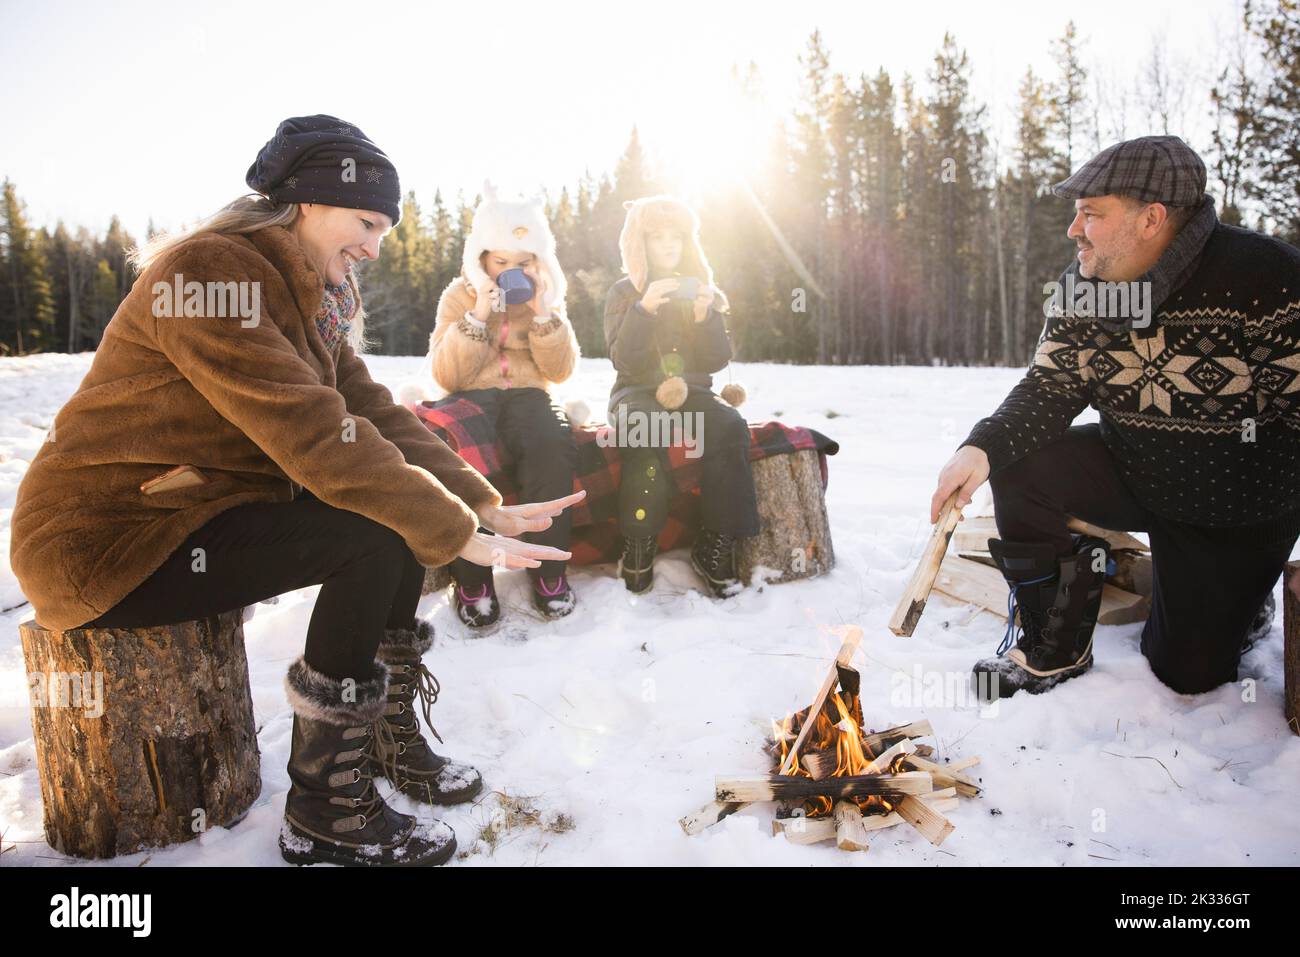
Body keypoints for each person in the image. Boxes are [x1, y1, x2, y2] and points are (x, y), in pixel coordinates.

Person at [8, 115, 583, 867]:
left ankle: (376, 742)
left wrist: (478, 500)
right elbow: (312, 430)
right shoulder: (209, 276)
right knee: (375, 533)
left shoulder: (307, 300)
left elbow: (369, 411)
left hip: (191, 511)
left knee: (391, 516)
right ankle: (323, 810)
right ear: (309, 201)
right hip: (106, 538)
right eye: (367, 222)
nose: (376, 246)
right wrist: (447, 526)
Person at [929, 135, 1300, 700]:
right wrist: (979, 448)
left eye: (1090, 214)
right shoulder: (1085, 284)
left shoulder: (1264, 277)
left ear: (1151, 218)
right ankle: (1055, 645)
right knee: (1019, 463)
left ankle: (1245, 603)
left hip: (1234, 503)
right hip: (1136, 464)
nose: (1074, 231)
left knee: (1187, 675)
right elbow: (1051, 385)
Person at [425, 185, 582, 628]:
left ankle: (549, 573)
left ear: (539, 261)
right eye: (501, 261)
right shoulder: (459, 295)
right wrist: (477, 315)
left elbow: (562, 369)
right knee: (460, 450)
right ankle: (472, 578)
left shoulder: (545, 295)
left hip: (530, 393)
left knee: (551, 443)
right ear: (481, 258)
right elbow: (445, 376)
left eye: (523, 262)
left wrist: (544, 316)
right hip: (470, 395)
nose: (511, 270)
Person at [603, 195, 759, 597]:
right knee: (645, 429)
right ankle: (639, 544)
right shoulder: (624, 293)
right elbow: (623, 360)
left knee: (729, 425)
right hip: (636, 389)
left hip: (694, 389)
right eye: (658, 237)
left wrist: (707, 318)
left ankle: (714, 544)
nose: (669, 245)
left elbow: (716, 359)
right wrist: (644, 310)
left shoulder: (700, 290)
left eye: (677, 236)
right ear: (641, 243)